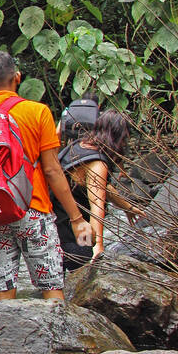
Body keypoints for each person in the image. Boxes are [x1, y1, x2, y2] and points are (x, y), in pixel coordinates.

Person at [0, 52, 93, 302]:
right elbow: (52, 170)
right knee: (51, 287)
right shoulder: (38, 112)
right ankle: (60, 340)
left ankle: (3, 341)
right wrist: (76, 218)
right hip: (33, 210)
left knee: (3, 291)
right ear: (17, 78)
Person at [54, 107, 145, 268]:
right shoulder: (98, 163)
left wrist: (127, 207)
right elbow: (97, 204)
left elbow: (101, 186)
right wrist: (97, 246)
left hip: (51, 227)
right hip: (73, 234)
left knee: (53, 287)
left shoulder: (79, 146)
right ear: (118, 136)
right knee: (82, 271)